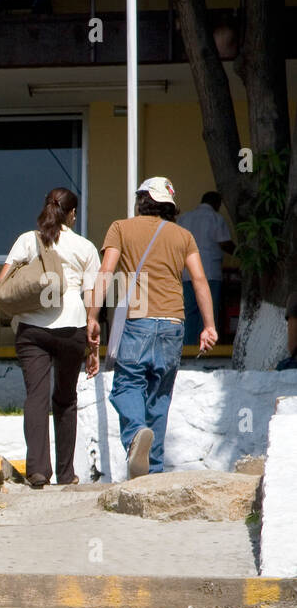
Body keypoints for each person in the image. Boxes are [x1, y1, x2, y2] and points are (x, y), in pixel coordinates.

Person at [90, 177, 217, 478]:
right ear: (169, 206)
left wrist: (92, 316)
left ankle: (135, 434)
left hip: (138, 320)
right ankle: (154, 471)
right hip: (174, 323)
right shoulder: (183, 235)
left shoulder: (121, 227)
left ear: (141, 200)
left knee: (128, 384)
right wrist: (209, 325)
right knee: (159, 395)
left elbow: (106, 271)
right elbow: (199, 279)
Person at [0, 187, 100, 487]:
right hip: (72, 328)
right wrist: (93, 339)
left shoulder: (27, 240)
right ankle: (66, 473)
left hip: (32, 329)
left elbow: (1, 283)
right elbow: (93, 296)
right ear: (71, 214)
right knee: (65, 399)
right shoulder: (84, 247)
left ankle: (37, 470)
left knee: (36, 396)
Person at [176, 191, 235, 346]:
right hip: (210, 273)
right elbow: (224, 243)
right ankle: (205, 349)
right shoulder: (215, 218)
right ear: (216, 203)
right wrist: (241, 252)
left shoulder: (184, 218)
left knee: (189, 314)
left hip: (187, 274)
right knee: (208, 314)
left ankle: (187, 348)